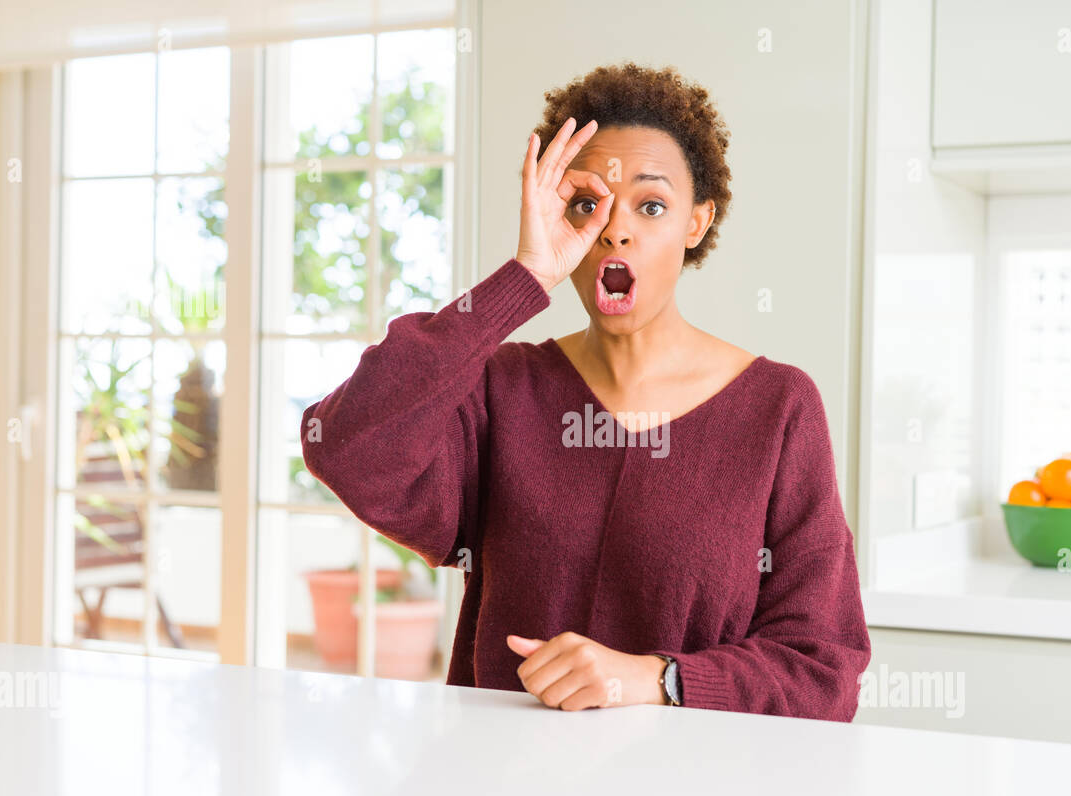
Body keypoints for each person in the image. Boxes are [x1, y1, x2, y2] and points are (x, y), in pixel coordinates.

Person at [301, 62, 871, 721]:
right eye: (585, 203)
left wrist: (659, 679)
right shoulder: (500, 389)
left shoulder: (779, 409)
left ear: (697, 220)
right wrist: (523, 279)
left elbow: (822, 668)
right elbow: (346, 446)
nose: (613, 230)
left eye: (651, 205)